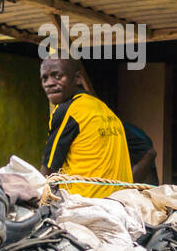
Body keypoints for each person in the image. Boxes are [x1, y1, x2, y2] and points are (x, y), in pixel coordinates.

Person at [40, 55, 132, 198]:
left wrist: (37, 199)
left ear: (77, 78)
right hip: (121, 201)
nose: (49, 83)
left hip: (86, 203)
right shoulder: (102, 108)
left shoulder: (70, 110)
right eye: (44, 78)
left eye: (57, 76)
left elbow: (50, 167)